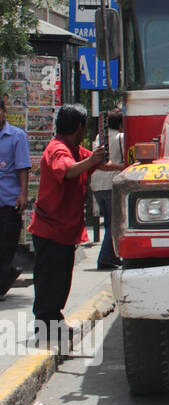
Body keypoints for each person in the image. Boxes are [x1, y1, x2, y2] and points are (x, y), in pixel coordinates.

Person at [28, 105, 108, 344]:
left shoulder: (74, 149)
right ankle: (45, 326)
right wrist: (92, 159)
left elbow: (94, 163)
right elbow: (67, 171)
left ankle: (55, 321)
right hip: (50, 230)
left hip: (63, 231)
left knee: (61, 280)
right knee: (50, 280)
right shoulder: (58, 149)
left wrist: (122, 166)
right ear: (80, 127)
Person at [0, 95, 31, 297]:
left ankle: (2, 285)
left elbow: (22, 167)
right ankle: (8, 275)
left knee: (6, 247)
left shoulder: (17, 136)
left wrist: (23, 193)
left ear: (3, 112)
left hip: (9, 200)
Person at [89, 109, 126, 271]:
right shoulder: (120, 137)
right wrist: (122, 167)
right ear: (120, 124)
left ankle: (111, 256)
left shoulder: (100, 138)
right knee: (114, 223)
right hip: (111, 183)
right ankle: (105, 258)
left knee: (109, 222)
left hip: (97, 185)